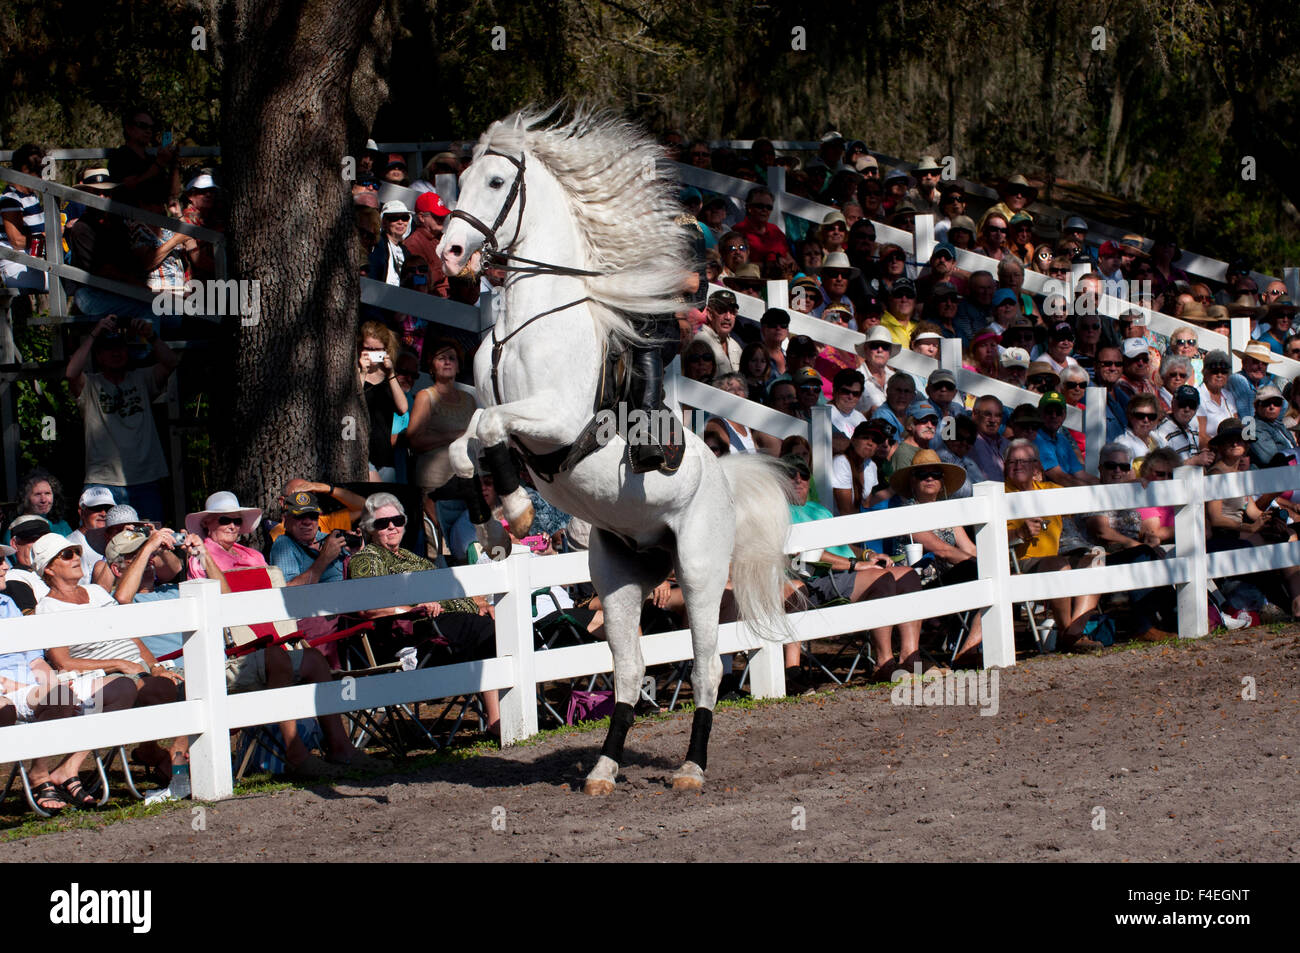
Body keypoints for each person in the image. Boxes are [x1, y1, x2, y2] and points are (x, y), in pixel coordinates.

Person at [345, 493, 501, 734]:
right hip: (415, 635)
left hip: (444, 627)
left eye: (397, 520)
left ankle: (505, 716)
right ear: (369, 529)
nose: (391, 526)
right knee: (485, 632)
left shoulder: (414, 559)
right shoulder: (366, 559)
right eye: (382, 523)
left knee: (501, 625)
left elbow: (449, 591)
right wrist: (412, 609)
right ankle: (496, 722)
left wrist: (480, 604)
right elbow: (368, 608)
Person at [781, 454, 923, 683]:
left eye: (804, 475)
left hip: (850, 572)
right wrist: (855, 565)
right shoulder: (779, 511)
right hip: (817, 580)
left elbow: (844, 546)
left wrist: (869, 555)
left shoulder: (820, 510)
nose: (798, 480)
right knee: (882, 579)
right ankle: (884, 662)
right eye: (791, 475)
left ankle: (910, 657)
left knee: (908, 576)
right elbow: (806, 553)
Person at [66, 316, 179, 518]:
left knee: (151, 540)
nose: (116, 353)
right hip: (103, 480)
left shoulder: (142, 378)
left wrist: (151, 336)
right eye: (108, 349)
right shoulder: (91, 384)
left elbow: (171, 362)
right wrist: (94, 333)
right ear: (98, 357)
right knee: (102, 543)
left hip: (146, 477)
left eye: (120, 347)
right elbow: (71, 373)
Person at [1002, 441, 1104, 652]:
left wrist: (1125, 484)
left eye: (1024, 461)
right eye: (1012, 461)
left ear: (1036, 467)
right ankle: (1069, 635)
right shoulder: (1000, 494)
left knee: (1097, 557)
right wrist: (1020, 533)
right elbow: (991, 540)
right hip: (1018, 564)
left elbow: (1083, 503)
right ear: (1005, 466)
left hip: (1055, 558)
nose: (1018, 465)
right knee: (1060, 565)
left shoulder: (1050, 490)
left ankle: (1073, 633)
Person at [405, 338, 478, 556]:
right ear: (431, 364)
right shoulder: (426, 397)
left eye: (452, 358)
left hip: (466, 485)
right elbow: (413, 439)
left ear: (458, 365)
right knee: (439, 550)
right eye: (441, 357)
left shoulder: (469, 399)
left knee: (467, 547)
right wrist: (453, 436)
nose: (447, 362)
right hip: (435, 488)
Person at [358, 321, 409, 482]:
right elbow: (351, 403)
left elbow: (402, 408)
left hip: (384, 457)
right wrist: (362, 373)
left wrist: (391, 373)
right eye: (367, 348)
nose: (371, 353)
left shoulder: (388, 379)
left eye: (376, 350)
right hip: (358, 452)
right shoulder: (354, 373)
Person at [831, 420, 885, 516]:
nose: (870, 443)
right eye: (865, 438)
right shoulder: (841, 462)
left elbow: (866, 504)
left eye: (875, 440)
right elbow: (846, 511)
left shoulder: (871, 466)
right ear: (853, 440)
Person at [5, 470, 72, 541]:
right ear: (25, 498)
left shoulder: (62, 526)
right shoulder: (15, 529)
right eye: (37, 494)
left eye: (47, 493)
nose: (43, 500)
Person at [1155, 385, 1213, 465]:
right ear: (1173, 404)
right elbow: (1163, 468)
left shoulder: (1193, 425)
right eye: (1182, 404)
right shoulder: (1163, 431)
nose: (1187, 409)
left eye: (1192, 405)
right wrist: (1194, 461)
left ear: (1197, 408)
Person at [1196, 350, 1238, 445]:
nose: (1219, 375)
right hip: (1212, 449)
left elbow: (1237, 425)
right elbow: (1200, 435)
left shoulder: (1228, 395)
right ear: (1204, 373)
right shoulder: (1199, 396)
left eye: (1224, 372)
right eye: (1215, 371)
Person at [1114, 393, 1166, 465]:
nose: (1146, 420)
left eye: (1151, 416)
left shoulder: (1160, 440)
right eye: (1140, 415)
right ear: (1130, 416)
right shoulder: (1122, 444)